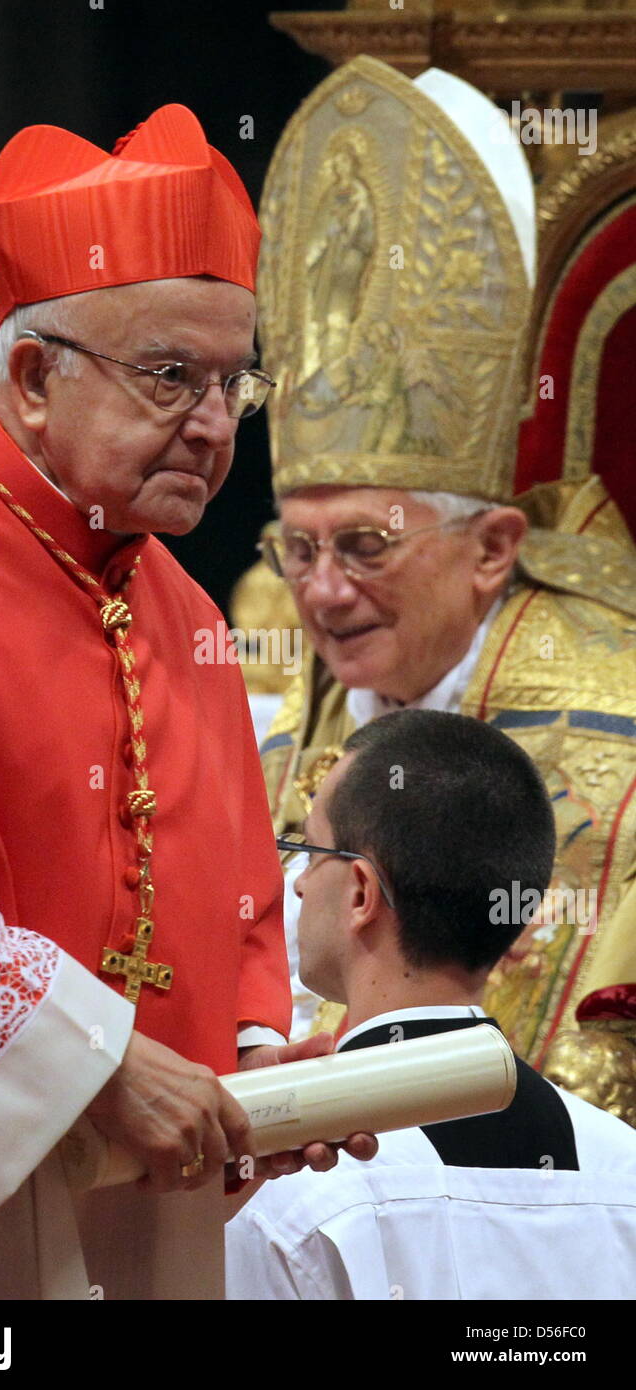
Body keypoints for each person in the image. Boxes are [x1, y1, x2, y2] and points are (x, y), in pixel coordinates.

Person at [0, 104, 374, 1302]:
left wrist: (262, 1076)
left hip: (157, 1227)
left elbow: (241, 908)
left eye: (230, 382)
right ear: (35, 376)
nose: (210, 424)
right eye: (166, 377)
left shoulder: (186, 610)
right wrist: (88, 1064)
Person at [254, 57, 636, 1117]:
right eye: (296, 548)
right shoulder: (280, 741)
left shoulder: (621, 750)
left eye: (365, 547)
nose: (322, 593)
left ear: (490, 546)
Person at [226, 711, 636, 1300]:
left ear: (362, 892)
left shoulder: (287, 1183)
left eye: (309, 850)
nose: (297, 883)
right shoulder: (620, 1164)